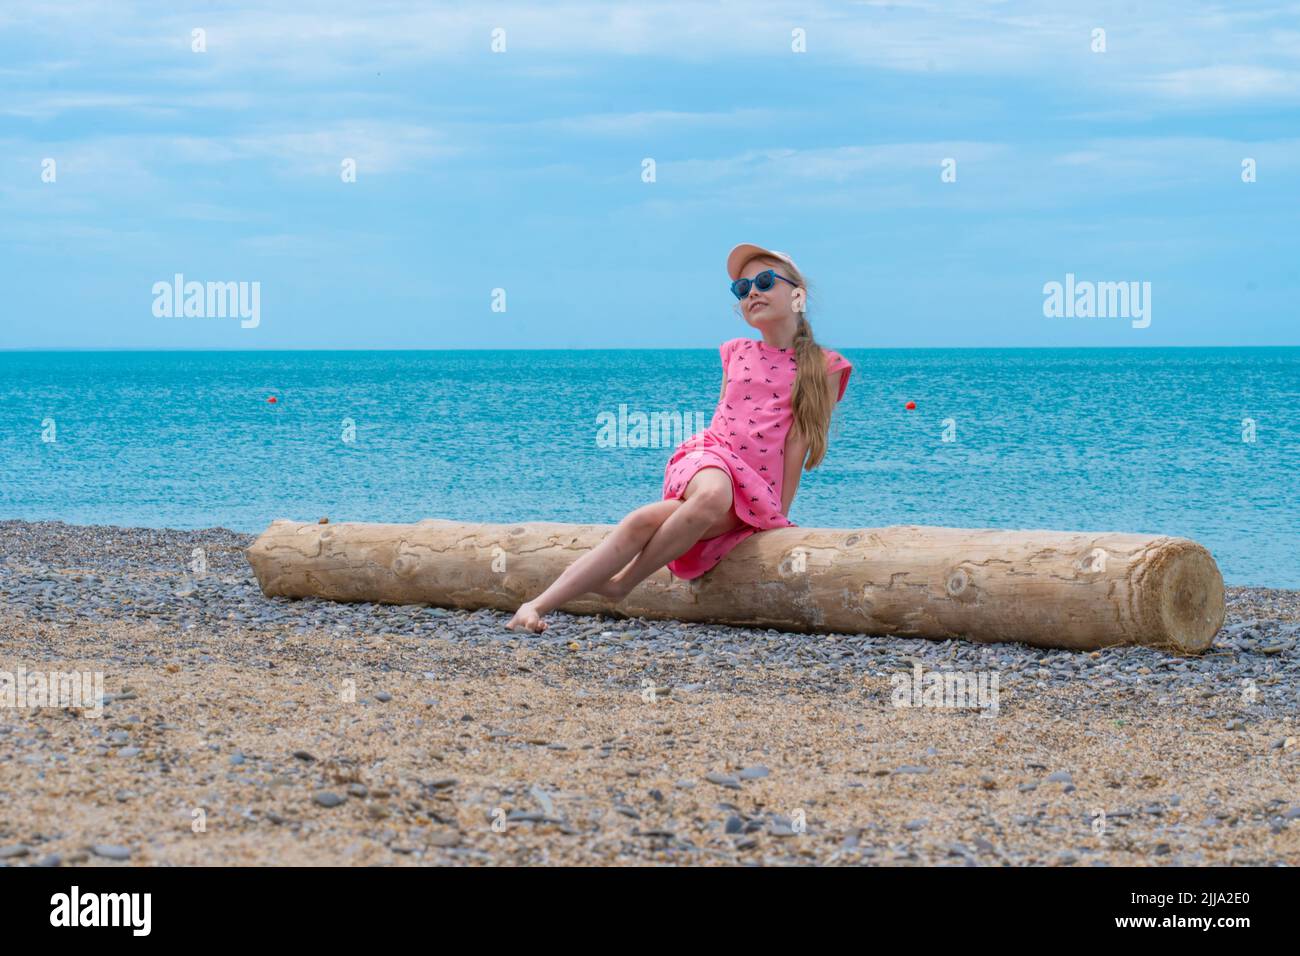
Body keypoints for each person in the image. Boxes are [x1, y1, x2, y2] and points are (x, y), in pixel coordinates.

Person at [506, 242, 852, 633]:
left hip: (754, 491)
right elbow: (725, 417)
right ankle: (602, 588)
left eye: (765, 281)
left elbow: (796, 443)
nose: (751, 291)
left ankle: (539, 606)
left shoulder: (826, 366)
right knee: (711, 494)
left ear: (797, 295)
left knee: (643, 522)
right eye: (742, 288)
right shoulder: (735, 351)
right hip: (710, 457)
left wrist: (777, 513)